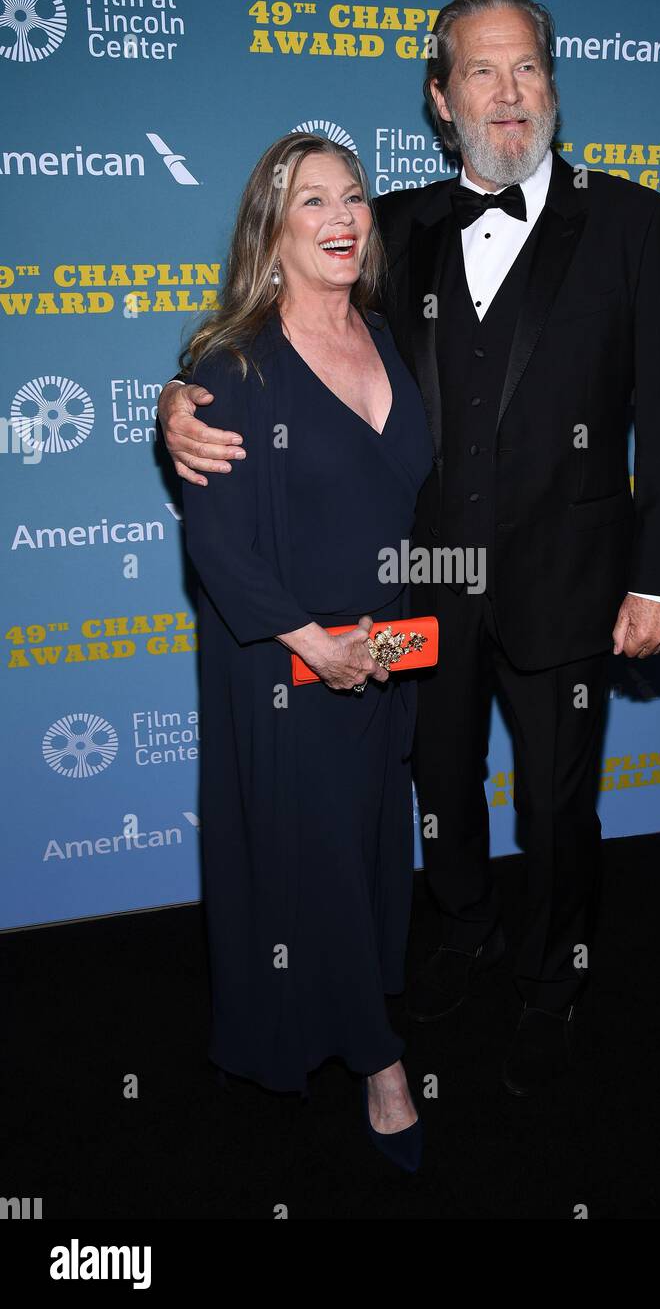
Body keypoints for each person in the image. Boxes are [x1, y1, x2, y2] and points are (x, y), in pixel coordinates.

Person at [158, 0, 660, 1099]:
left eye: (528, 71)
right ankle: (462, 931)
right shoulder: (392, 226)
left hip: (572, 581)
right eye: (482, 75)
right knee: (440, 786)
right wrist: (177, 399)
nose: (510, 97)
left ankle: (554, 981)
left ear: (552, 84)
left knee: (557, 805)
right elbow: (287, 333)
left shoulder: (634, 220)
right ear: (439, 98)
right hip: (420, 587)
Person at [172, 132, 433, 1170]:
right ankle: (381, 1066)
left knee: (368, 850)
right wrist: (315, 647)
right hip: (286, 658)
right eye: (311, 200)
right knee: (315, 854)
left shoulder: (383, 333)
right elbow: (216, 545)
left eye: (353, 196)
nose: (341, 217)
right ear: (271, 230)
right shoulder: (229, 364)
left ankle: (346, 1006)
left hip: (385, 651)